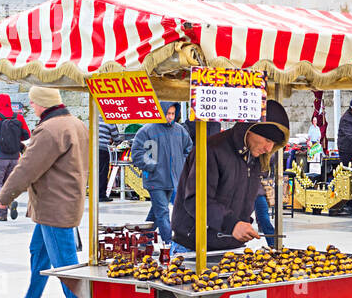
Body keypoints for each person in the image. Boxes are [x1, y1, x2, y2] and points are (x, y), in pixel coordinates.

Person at [0, 87, 92, 298]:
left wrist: (5, 196)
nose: (32, 107)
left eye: (33, 103)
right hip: (66, 199)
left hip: (54, 205)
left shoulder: (50, 130)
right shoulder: (77, 124)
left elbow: (27, 168)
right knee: (39, 253)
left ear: (42, 104)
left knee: (64, 259)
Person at [170, 101, 290, 253]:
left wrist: (242, 224)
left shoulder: (254, 158)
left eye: (273, 143)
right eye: (267, 140)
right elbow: (196, 199)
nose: (269, 148)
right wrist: (232, 224)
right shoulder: (212, 149)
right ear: (250, 129)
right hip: (194, 245)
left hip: (231, 246)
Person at [131, 103, 192, 246]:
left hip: (173, 179)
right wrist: (152, 166)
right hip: (155, 179)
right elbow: (137, 153)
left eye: (172, 114)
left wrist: (181, 165)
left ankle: (144, 240)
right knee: (162, 212)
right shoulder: (147, 130)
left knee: (157, 210)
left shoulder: (180, 130)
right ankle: (169, 243)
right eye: (167, 113)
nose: (170, 117)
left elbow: (189, 149)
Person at [0, 94, 30, 221]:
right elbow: (26, 135)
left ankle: (7, 203)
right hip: (14, 156)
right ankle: (2, 214)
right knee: (7, 184)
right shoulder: (18, 117)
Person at [97, 120, 120, 202]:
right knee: (103, 172)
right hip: (102, 149)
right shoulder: (109, 121)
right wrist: (118, 142)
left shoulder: (95, 118)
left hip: (92, 148)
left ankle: (94, 193)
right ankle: (101, 195)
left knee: (96, 172)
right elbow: (116, 138)